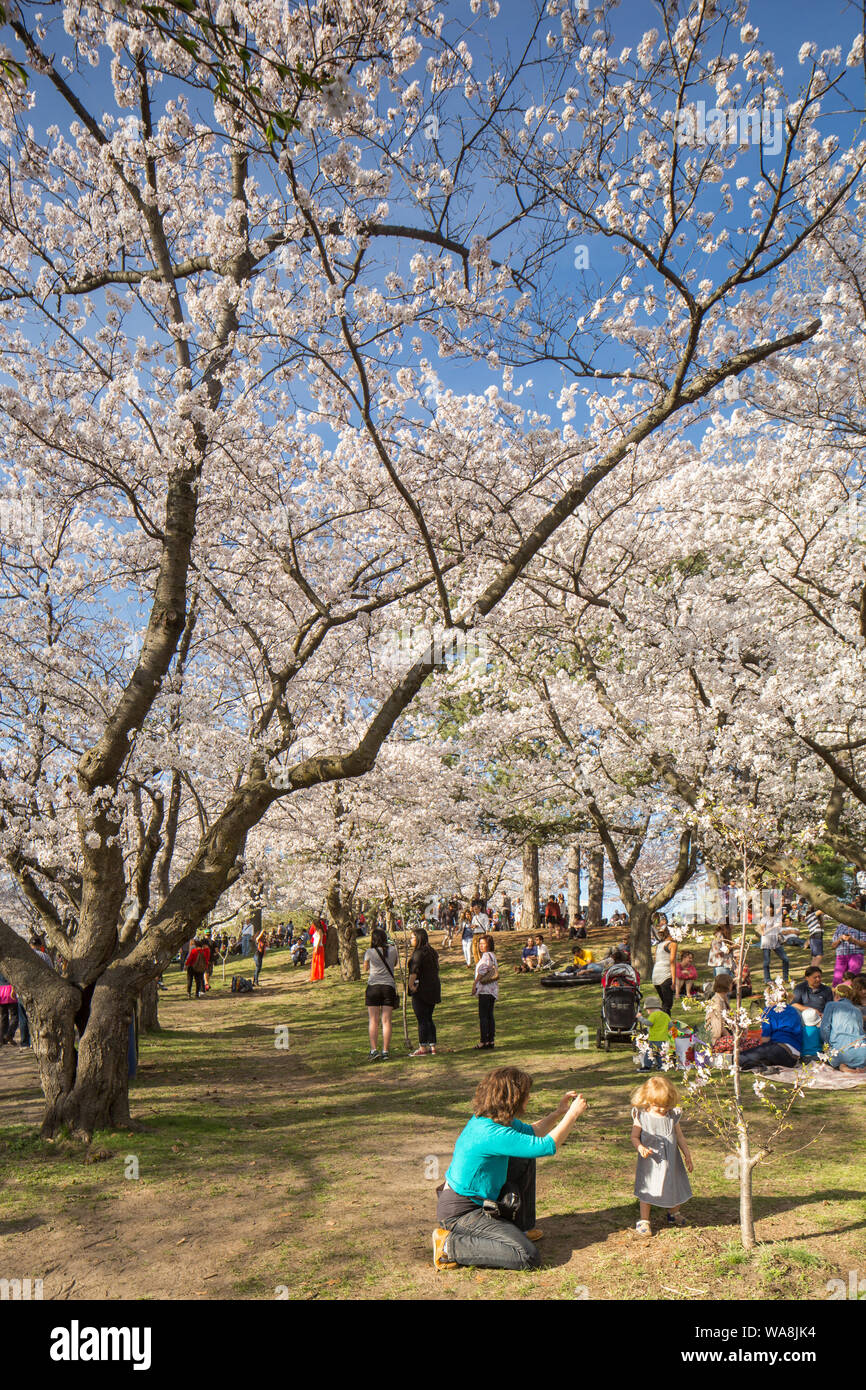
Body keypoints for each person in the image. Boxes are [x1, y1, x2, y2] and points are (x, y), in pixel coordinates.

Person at [432, 1066, 588, 1271]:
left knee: (524, 1158)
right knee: (527, 1256)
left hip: (470, 1201)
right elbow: (547, 1146)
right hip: (461, 1211)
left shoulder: (495, 1119)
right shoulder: (491, 1133)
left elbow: (535, 1132)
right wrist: (573, 1116)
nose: (529, 1098)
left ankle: (522, 1228)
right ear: (513, 1098)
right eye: (526, 1094)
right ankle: (449, 1245)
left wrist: (559, 1113)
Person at [631, 1074, 693, 1234]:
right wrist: (640, 1147)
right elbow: (634, 1136)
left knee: (674, 1184)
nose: (663, 1109)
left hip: (672, 1160)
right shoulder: (642, 1116)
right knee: (648, 1188)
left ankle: (674, 1213)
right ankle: (644, 1220)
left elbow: (679, 1136)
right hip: (651, 1162)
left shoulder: (672, 1115)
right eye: (658, 1105)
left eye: (666, 1105)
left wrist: (687, 1154)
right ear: (647, 1100)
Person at [739, 992, 804, 1071]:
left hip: (780, 1049)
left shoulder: (769, 1010)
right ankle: (762, 1063)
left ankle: (757, 1062)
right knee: (762, 1055)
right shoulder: (794, 1010)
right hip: (795, 1056)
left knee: (741, 1057)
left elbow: (766, 1038)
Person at [362, 926, 398, 1061]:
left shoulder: (369, 952)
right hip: (388, 987)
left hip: (373, 987)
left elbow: (365, 969)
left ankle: (373, 1049)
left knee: (373, 1020)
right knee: (386, 1021)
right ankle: (385, 1051)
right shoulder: (393, 950)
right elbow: (394, 964)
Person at [408, 927, 441, 1057]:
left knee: (422, 1019)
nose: (411, 940)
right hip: (433, 987)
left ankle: (423, 1046)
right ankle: (432, 1045)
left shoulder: (418, 953)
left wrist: (411, 986)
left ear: (419, 938)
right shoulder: (432, 952)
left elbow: (414, 971)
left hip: (421, 988)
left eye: (412, 937)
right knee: (428, 1017)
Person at [820, 982, 866, 1072]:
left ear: (836, 995)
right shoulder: (857, 1010)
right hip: (861, 1052)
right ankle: (860, 1067)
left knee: (833, 1058)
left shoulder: (831, 1005)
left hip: (839, 1052)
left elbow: (824, 1029)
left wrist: (827, 1045)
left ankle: (842, 1066)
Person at [473, 934, 499, 1050]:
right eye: (480, 944)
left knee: (483, 1016)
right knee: (489, 1015)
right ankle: (490, 1040)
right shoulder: (492, 956)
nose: (481, 946)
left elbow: (483, 970)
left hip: (485, 990)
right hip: (492, 990)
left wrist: (475, 983)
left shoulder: (486, 956)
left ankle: (484, 1041)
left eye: (483, 944)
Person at [759, 900, 789, 985]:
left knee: (785, 959)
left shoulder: (776, 918)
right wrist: (773, 927)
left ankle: (786, 978)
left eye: (770, 908)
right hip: (766, 942)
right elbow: (763, 932)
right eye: (767, 908)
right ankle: (767, 979)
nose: (768, 910)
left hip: (776, 942)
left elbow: (779, 929)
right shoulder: (764, 919)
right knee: (766, 962)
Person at [831, 919, 866, 985]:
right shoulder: (840, 926)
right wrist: (840, 939)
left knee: (852, 978)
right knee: (837, 979)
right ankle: (836, 995)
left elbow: (865, 944)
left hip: (856, 955)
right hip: (841, 956)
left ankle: (851, 994)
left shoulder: (860, 926)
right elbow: (833, 945)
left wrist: (853, 940)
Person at [651, 926, 677, 1014]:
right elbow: (672, 962)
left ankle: (665, 1025)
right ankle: (663, 1025)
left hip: (655, 975)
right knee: (668, 1004)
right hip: (665, 976)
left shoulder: (658, 945)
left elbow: (655, 960)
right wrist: (673, 980)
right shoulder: (672, 944)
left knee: (665, 1004)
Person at [705, 974, 733, 1047]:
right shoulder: (716, 1002)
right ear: (725, 985)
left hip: (725, 1031)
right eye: (731, 983)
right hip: (717, 1037)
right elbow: (718, 1025)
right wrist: (731, 1038)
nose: (732, 985)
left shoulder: (724, 997)